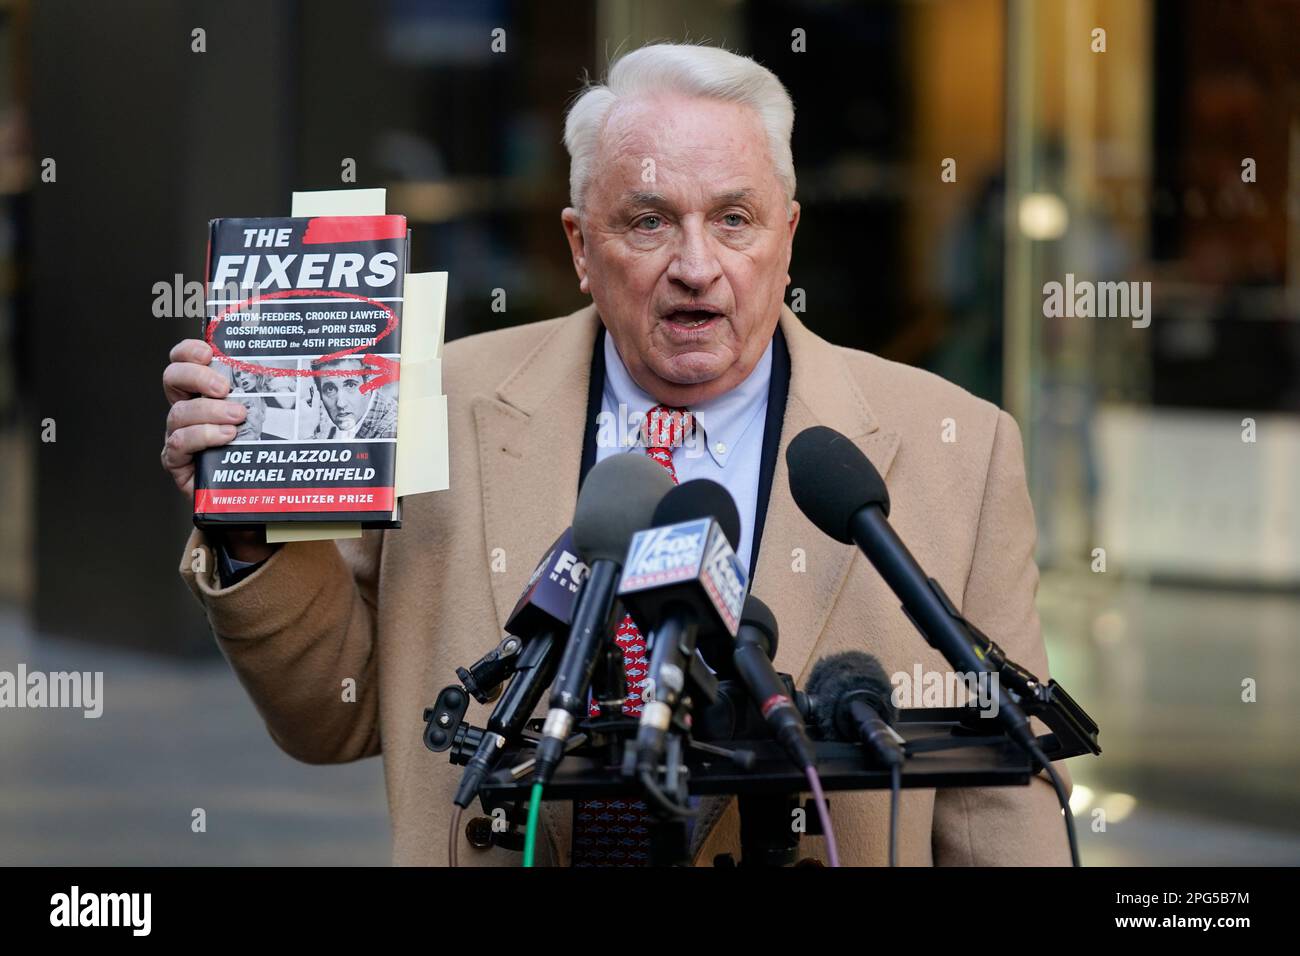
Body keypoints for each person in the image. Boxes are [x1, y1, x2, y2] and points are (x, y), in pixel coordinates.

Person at [160, 43, 1069, 866]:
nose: (696, 264)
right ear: (579, 246)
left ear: (787, 238)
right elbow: (333, 714)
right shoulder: (427, 400)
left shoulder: (962, 448)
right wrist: (251, 532)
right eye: (647, 221)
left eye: (735, 220)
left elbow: (1002, 809)